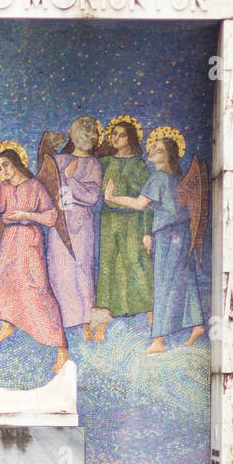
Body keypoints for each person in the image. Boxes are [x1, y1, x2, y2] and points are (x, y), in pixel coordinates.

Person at [115, 132, 206, 354]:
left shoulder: (159, 178)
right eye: (152, 149)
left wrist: (112, 197)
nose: (151, 152)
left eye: (158, 150)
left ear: (168, 156)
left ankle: (158, 341)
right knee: (184, 278)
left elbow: (139, 204)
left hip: (167, 234)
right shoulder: (179, 178)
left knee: (163, 283)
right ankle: (198, 325)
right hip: (182, 233)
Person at [0, 143, 69, 373]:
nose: (3, 170)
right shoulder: (4, 188)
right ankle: (6, 323)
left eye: (5, 165)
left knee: (37, 288)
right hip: (10, 240)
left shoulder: (34, 186)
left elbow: (51, 217)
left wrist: (26, 215)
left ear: (16, 163)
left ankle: (61, 349)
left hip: (29, 239)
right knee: (1, 279)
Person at [43, 116, 104, 341]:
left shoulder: (94, 165)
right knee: (60, 272)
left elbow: (91, 196)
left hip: (81, 224)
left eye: (93, 134)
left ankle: (86, 320)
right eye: (86, 133)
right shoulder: (58, 160)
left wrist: (69, 180)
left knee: (82, 270)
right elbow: (47, 187)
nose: (90, 137)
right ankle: (67, 320)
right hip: (59, 224)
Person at [94, 117, 153, 341]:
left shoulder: (139, 166)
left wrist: (147, 232)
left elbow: (147, 203)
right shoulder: (105, 162)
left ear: (131, 138)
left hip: (133, 221)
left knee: (136, 262)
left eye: (121, 134)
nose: (115, 138)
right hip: (109, 220)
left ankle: (151, 314)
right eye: (113, 134)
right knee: (107, 267)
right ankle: (101, 324)